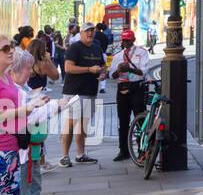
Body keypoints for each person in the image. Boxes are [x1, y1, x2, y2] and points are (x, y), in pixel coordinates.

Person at [0, 40, 49, 195]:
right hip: (2, 149)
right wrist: (26, 109)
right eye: (5, 49)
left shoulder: (7, 78)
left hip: (12, 147)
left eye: (11, 46)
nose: (11, 51)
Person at [11, 49, 66, 195]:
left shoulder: (20, 87)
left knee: (33, 194)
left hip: (31, 149)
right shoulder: (13, 90)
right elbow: (29, 115)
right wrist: (53, 106)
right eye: (27, 68)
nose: (31, 72)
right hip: (21, 152)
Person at [59, 25, 105, 167]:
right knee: (71, 125)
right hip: (74, 92)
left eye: (92, 30)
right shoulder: (75, 47)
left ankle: (80, 155)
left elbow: (103, 66)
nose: (90, 33)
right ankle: (65, 156)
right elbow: (68, 68)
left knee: (83, 126)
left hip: (90, 91)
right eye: (87, 31)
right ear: (81, 33)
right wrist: (89, 69)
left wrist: (103, 73)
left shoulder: (97, 47)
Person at [109, 30, 149, 162]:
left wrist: (130, 69)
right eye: (124, 40)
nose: (125, 42)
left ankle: (143, 150)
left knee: (140, 120)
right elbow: (112, 75)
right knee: (123, 121)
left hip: (137, 87)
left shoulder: (142, 53)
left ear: (133, 39)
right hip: (122, 89)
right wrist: (119, 71)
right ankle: (123, 150)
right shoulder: (118, 56)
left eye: (128, 40)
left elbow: (143, 72)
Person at [26, 38, 59, 171]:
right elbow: (56, 76)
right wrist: (48, 59)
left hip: (27, 98)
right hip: (39, 98)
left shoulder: (26, 63)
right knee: (40, 131)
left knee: (32, 131)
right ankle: (41, 162)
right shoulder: (42, 63)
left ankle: (39, 160)